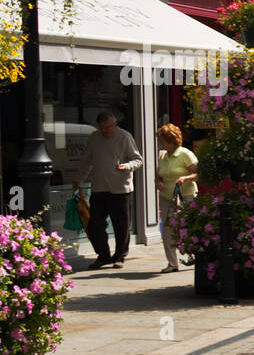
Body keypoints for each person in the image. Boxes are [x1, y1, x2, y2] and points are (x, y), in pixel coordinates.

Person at [73, 111, 143, 269]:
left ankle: (120, 256)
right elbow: (86, 161)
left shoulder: (124, 136)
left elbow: (138, 159)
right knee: (94, 224)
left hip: (120, 189)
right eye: (103, 128)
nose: (107, 131)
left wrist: (127, 166)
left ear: (115, 124)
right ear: (99, 127)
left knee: (121, 226)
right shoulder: (93, 138)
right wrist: (79, 179)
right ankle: (103, 255)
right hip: (99, 187)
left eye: (110, 127)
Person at [154, 124, 198, 273]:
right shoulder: (162, 156)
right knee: (167, 230)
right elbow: (158, 176)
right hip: (167, 197)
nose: (162, 144)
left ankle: (197, 257)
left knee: (188, 227)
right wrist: (158, 183)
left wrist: (185, 177)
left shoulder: (185, 154)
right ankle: (172, 263)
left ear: (172, 140)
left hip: (186, 196)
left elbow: (199, 174)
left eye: (164, 141)